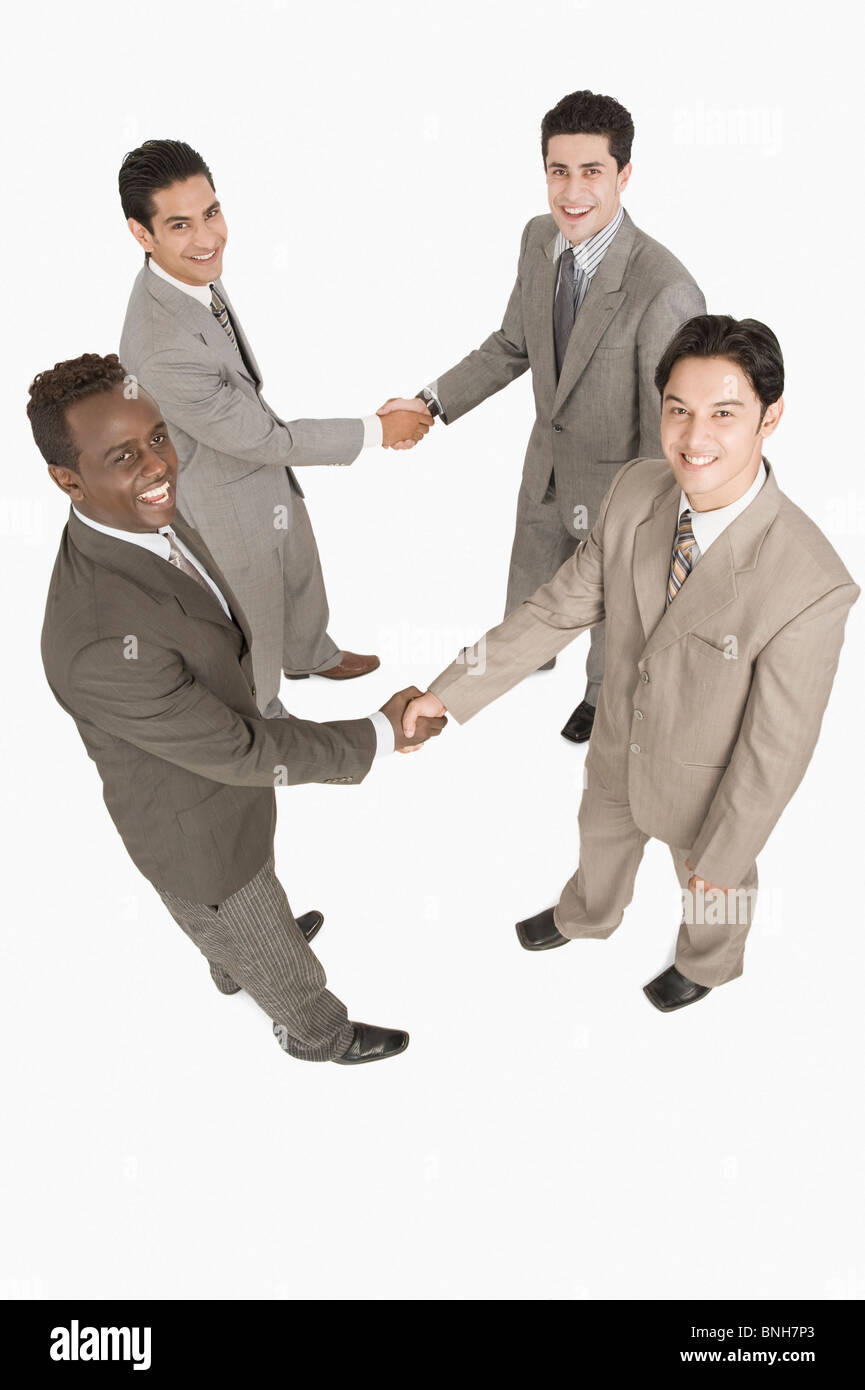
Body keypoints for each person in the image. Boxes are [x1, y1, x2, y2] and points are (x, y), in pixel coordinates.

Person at [402, 316, 858, 1010]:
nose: (693, 438)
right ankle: (586, 915)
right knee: (598, 844)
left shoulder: (810, 582)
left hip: (707, 791)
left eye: (722, 415)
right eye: (676, 410)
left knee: (714, 892)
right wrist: (448, 693)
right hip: (616, 746)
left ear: (770, 418)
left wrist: (725, 856)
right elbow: (557, 608)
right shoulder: (636, 491)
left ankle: (707, 965)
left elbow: (777, 749)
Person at [32, 353, 445, 1064]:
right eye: (124, 455)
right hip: (199, 831)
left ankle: (235, 961)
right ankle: (316, 1032)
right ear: (68, 479)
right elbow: (239, 753)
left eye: (158, 437)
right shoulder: (100, 640)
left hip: (227, 799)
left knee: (249, 904)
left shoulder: (138, 514)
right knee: (261, 929)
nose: (158, 465)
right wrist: (378, 735)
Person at [381, 89, 705, 744]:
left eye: (591, 171)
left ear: (624, 175)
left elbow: (670, 435)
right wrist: (430, 403)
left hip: (619, 489)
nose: (571, 191)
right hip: (547, 468)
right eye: (558, 171)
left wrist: (648, 526)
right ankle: (529, 657)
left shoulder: (664, 289)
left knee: (615, 608)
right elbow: (511, 345)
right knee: (533, 596)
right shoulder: (537, 239)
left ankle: (600, 693)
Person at [118, 139, 433, 718]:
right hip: (225, 499)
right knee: (254, 617)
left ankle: (310, 653)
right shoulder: (161, 346)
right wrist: (376, 430)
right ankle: (265, 715)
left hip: (262, 475)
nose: (209, 238)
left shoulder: (189, 276)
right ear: (143, 234)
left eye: (211, 212)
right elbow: (263, 438)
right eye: (181, 225)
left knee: (300, 571)